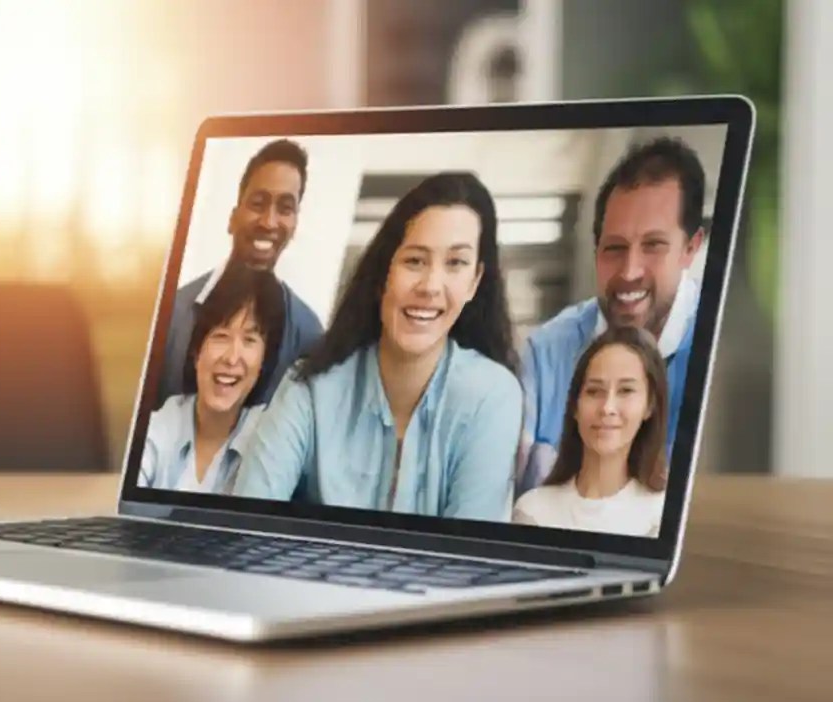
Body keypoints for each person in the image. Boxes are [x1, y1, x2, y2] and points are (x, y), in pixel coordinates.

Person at [233, 172, 521, 521]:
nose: (431, 286)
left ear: (475, 282)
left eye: (456, 263)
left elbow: (469, 548)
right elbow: (245, 524)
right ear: (383, 273)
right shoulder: (309, 388)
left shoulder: (493, 396)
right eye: (415, 260)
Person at [518, 137, 706, 496]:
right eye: (614, 248)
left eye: (653, 245)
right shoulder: (545, 354)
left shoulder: (714, 347)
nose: (630, 271)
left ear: (690, 248)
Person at [157, 139, 324, 407]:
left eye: (285, 208)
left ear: (294, 225)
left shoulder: (307, 334)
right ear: (233, 218)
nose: (269, 222)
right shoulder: (171, 314)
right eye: (258, 203)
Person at [139, 263, 286, 493]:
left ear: (264, 362)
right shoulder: (160, 427)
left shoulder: (269, 438)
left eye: (249, 340)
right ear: (196, 351)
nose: (232, 358)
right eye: (221, 336)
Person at [513, 326, 668, 536]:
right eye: (594, 391)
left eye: (626, 390)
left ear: (649, 406)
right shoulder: (533, 511)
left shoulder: (661, 516)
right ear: (575, 406)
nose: (607, 408)